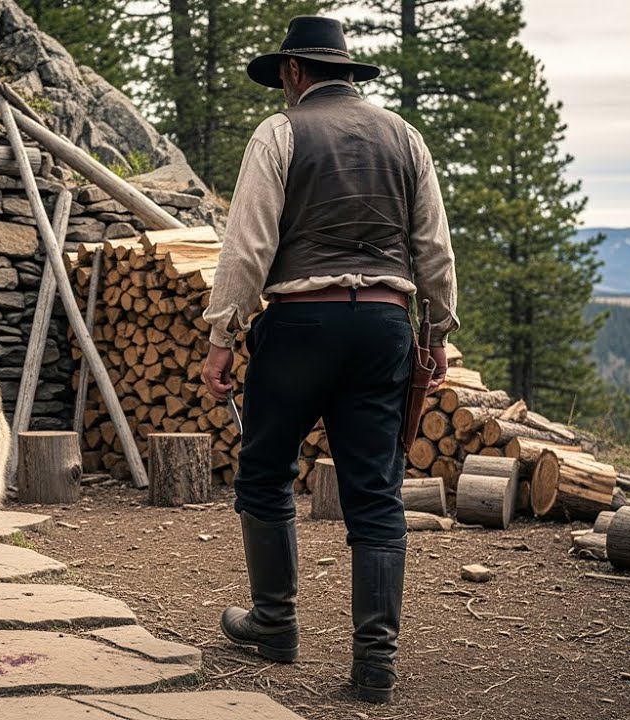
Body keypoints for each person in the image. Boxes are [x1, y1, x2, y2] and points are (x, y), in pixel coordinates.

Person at [200, 15, 459, 704]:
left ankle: (276, 624)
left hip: (300, 323)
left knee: (265, 472)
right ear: (344, 72)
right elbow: (433, 248)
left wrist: (222, 336)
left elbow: (248, 245)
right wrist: (434, 335)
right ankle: (375, 661)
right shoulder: (405, 136)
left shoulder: (281, 133)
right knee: (375, 493)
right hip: (384, 323)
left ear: (293, 72)